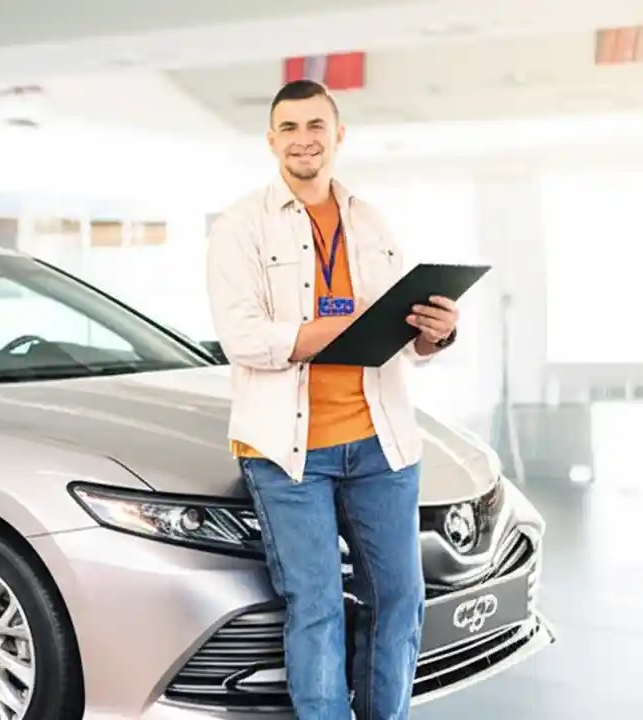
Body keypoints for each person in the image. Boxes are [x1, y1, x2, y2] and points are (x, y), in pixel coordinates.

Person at [205, 79, 460, 720]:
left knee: (399, 600)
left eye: (315, 126)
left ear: (337, 135)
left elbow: (401, 336)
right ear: (271, 140)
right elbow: (245, 340)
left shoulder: (370, 220)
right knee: (315, 605)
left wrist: (436, 333)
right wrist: (350, 327)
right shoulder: (241, 226)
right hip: (288, 451)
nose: (303, 140)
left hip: (382, 442)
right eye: (289, 128)